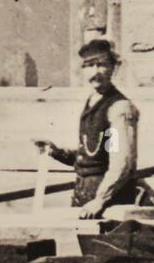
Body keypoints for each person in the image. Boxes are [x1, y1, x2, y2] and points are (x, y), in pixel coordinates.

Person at [38, 39, 140, 219]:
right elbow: (92, 154)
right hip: (84, 196)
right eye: (89, 65)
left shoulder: (119, 108)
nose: (95, 72)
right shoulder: (92, 101)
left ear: (113, 67)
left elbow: (122, 163)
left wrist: (100, 200)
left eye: (101, 65)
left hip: (109, 203)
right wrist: (57, 152)